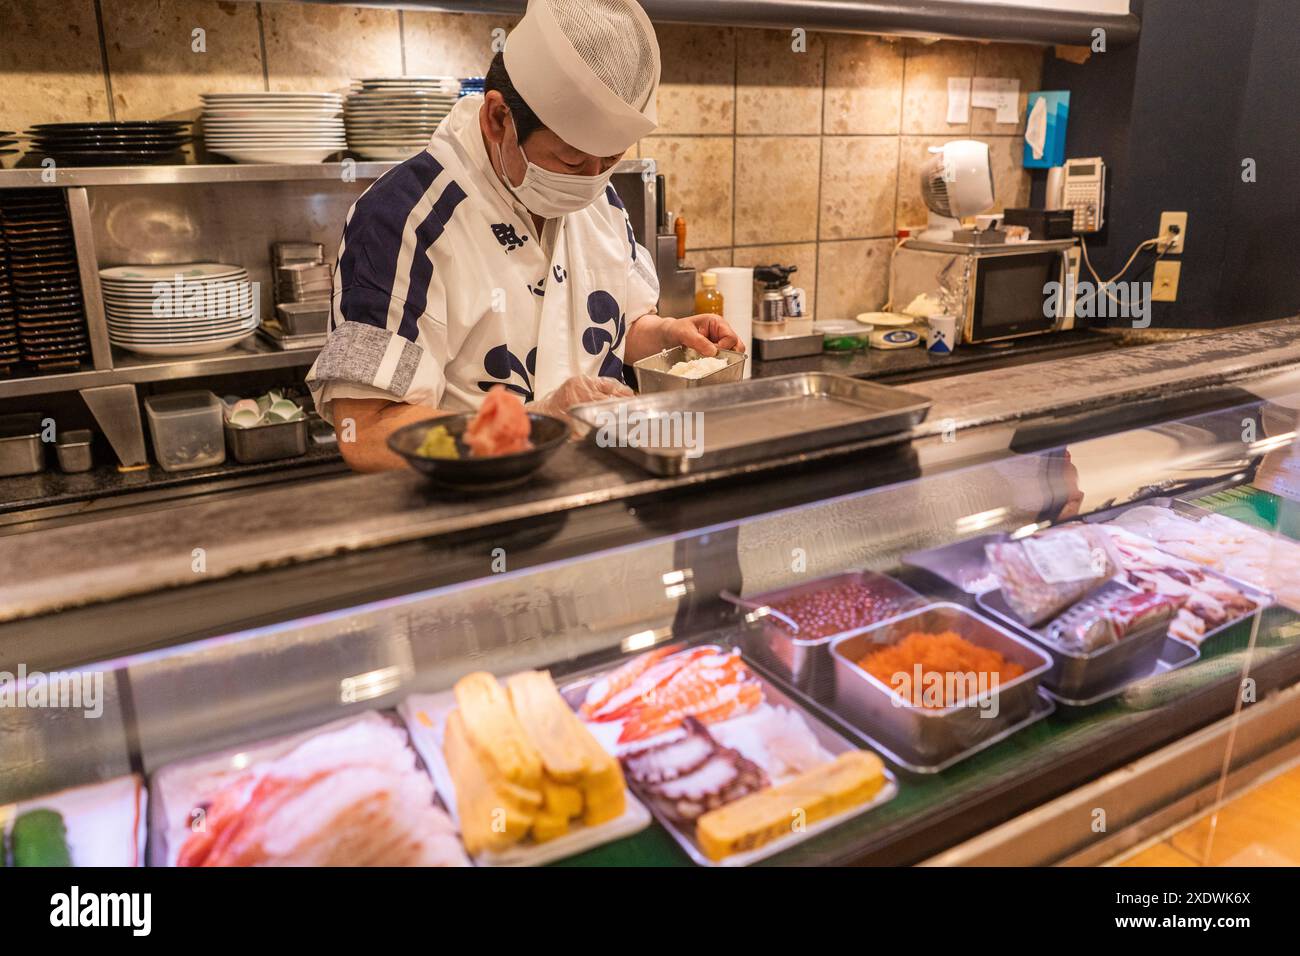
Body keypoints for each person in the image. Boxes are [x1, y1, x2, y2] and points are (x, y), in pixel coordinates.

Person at [307, 0, 742, 471]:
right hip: (469, 520)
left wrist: (666, 336)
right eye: (572, 161)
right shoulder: (401, 219)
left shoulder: (600, 199)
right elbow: (366, 431)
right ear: (499, 119)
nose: (592, 181)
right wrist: (535, 420)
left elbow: (619, 328)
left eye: (611, 160)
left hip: (593, 499)